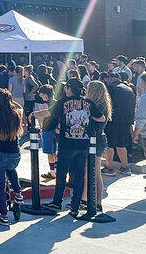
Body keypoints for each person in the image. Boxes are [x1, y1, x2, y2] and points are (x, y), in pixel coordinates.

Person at [43, 78, 104, 216]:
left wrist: (34, 114)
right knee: (79, 176)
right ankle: (75, 206)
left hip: (66, 144)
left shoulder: (63, 102)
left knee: (61, 174)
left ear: (69, 88)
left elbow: (48, 113)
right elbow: (102, 118)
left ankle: (57, 202)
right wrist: (88, 120)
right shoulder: (88, 103)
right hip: (83, 144)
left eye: (66, 87)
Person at [0, 88, 24, 225]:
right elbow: (20, 107)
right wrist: (10, 101)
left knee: (0, 186)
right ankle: (18, 193)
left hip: (0, 154)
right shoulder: (16, 114)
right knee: (12, 170)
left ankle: (3, 216)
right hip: (15, 153)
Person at [81, 80, 112, 212]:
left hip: (95, 139)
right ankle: (85, 199)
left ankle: (97, 202)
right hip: (98, 138)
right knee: (90, 171)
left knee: (94, 171)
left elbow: (102, 118)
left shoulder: (98, 105)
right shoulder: (103, 103)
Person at [102, 71, 135, 176]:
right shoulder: (129, 89)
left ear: (111, 79)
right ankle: (125, 167)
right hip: (126, 121)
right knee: (122, 145)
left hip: (112, 122)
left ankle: (109, 167)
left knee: (109, 146)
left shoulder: (110, 89)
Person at [30, 84, 57, 180]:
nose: (40, 96)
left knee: (49, 153)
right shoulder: (56, 102)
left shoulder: (45, 105)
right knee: (54, 152)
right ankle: (56, 170)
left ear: (45, 94)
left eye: (41, 94)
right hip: (55, 130)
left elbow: (42, 118)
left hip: (47, 129)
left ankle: (52, 172)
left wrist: (40, 127)